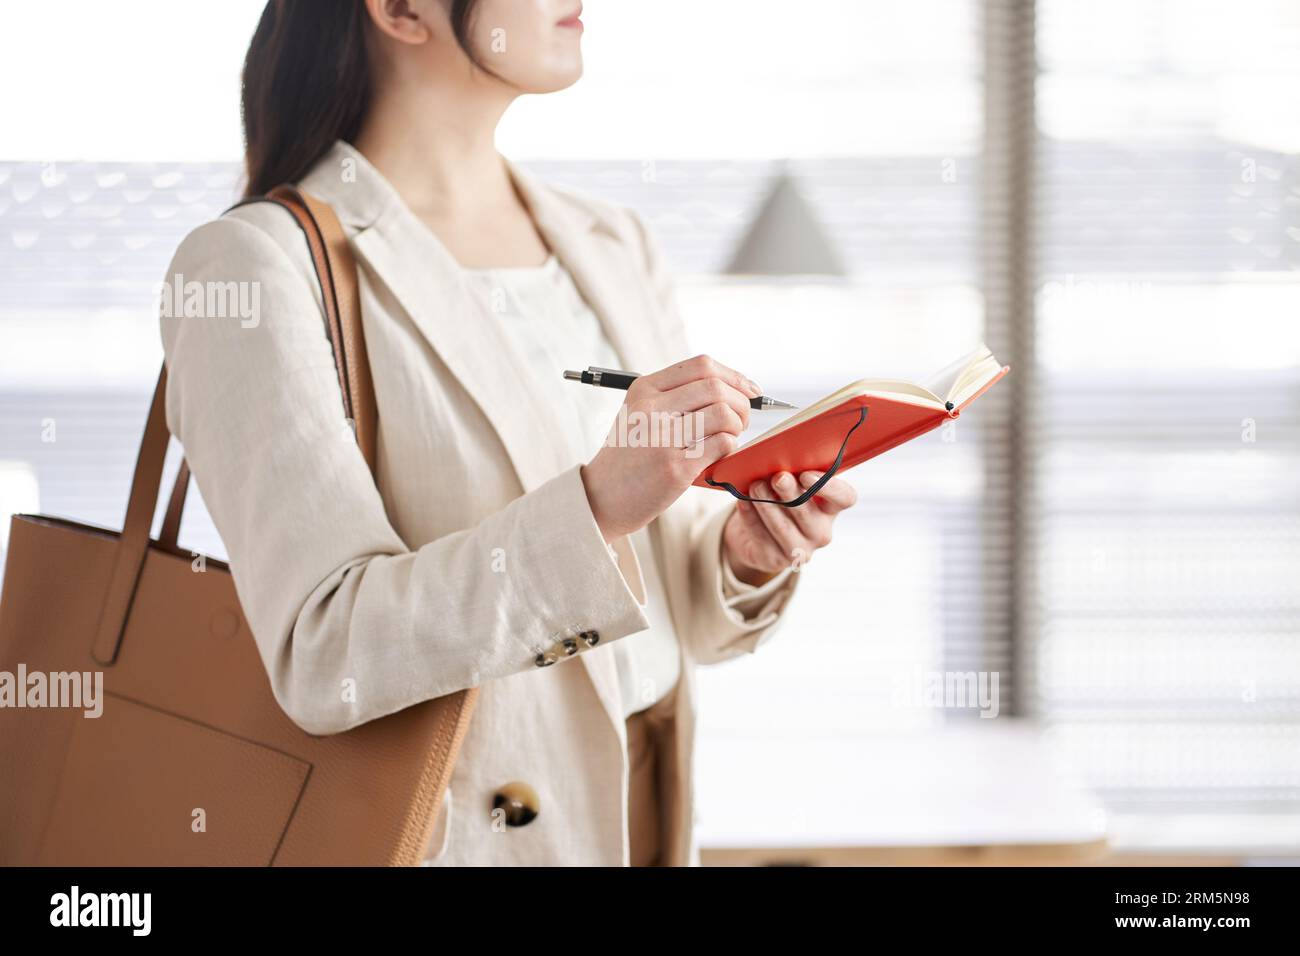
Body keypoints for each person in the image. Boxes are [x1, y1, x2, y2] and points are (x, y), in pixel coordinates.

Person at [159, 0, 858, 866]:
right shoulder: (258, 265)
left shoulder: (610, 243)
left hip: (640, 815)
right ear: (401, 11)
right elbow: (324, 647)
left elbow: (667, 620)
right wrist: (598, 505)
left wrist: (742, 557)